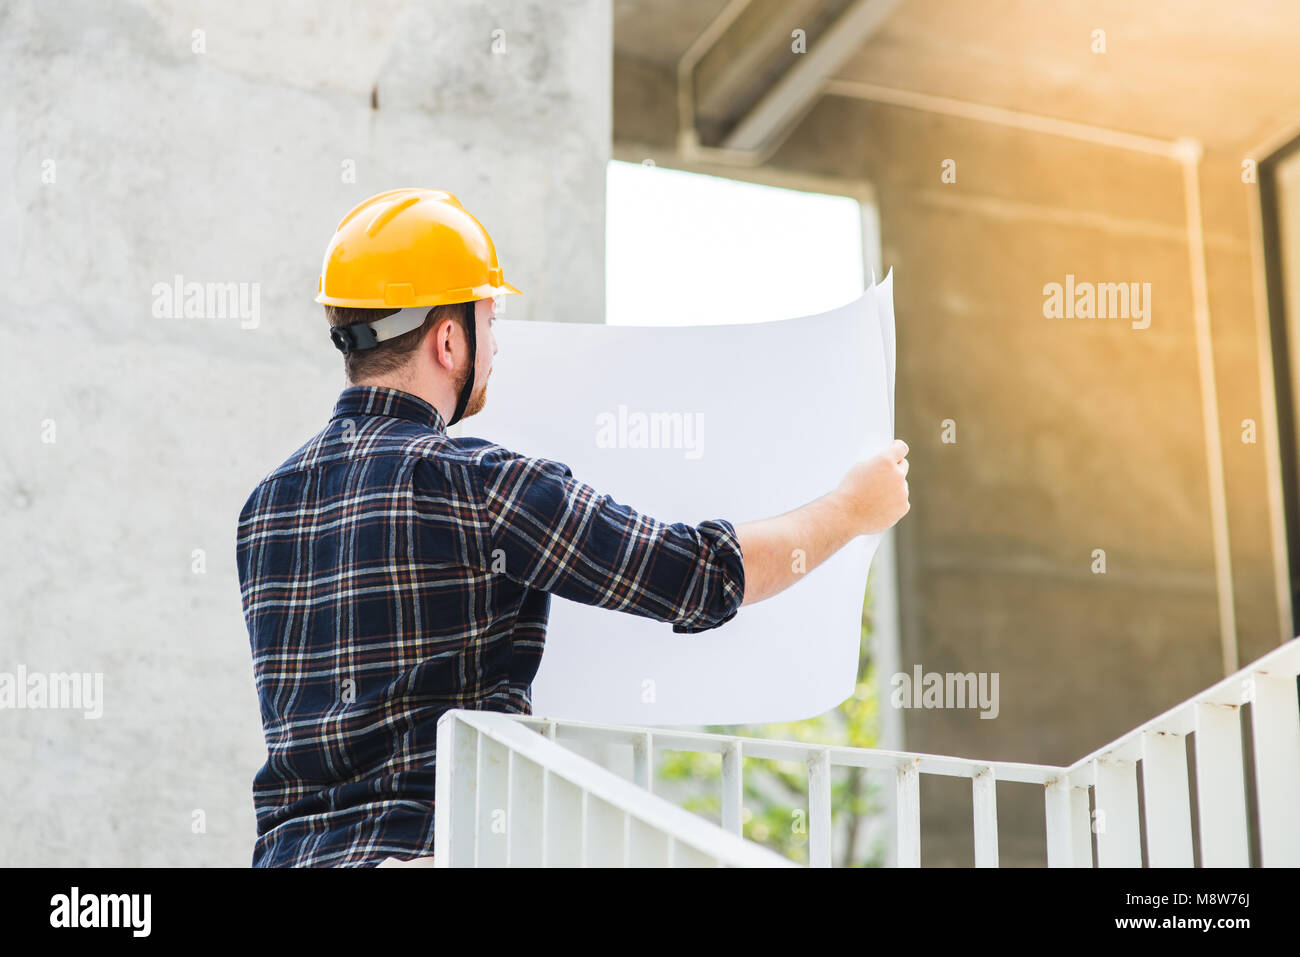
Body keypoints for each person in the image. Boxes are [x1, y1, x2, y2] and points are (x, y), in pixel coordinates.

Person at [235, 187, 910, 867]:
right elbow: (698, 575)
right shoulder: (481, 485)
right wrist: (853, 508)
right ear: (448, 338)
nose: (495, 345)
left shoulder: (263, 509)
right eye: (489, 320)